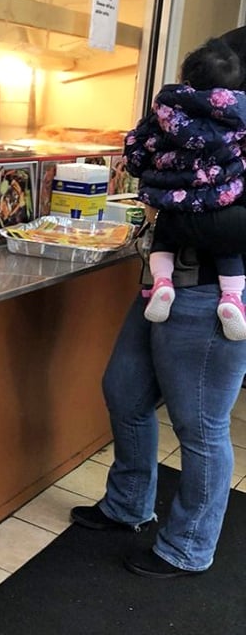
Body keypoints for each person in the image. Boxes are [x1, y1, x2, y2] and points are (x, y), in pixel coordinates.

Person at [70, 239, 246, 577]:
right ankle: (128, 503)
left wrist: (173, 211)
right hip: (166, 282)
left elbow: (231, 223)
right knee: (125, 390)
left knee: (200, 425)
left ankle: (189, 546)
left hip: (217, 294)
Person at [122, 37, 246, 339]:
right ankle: (232, 298)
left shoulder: (166, 110)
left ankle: (161, 283)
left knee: (165, 233)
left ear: (186, 81)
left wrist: (141, 165)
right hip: (220, 196)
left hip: (168, 196)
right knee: (227, 248)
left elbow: (137, 151)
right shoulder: (239, 118)